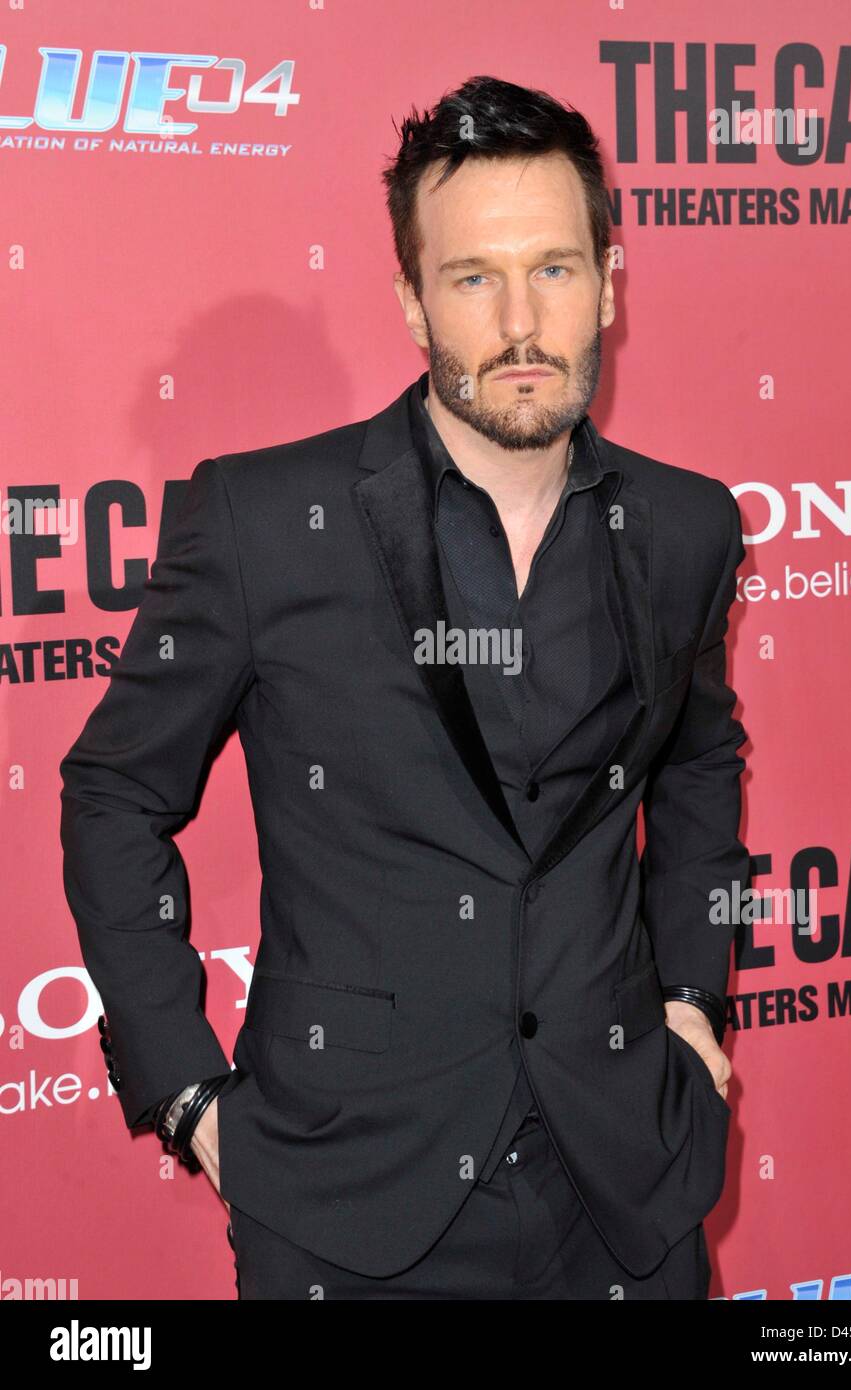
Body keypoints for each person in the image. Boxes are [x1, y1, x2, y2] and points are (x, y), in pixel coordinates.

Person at [60, 74, 749, 1300]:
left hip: (626, 1187)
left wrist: (696, 1000)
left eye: (555, 267)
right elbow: (114, 793)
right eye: (474, 278)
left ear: (610, 276)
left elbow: (698, 764)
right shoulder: (266, 521)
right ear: (411, 301)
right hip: (350, 1205)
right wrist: (187, 1093)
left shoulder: (689, 526)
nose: (522, 322)